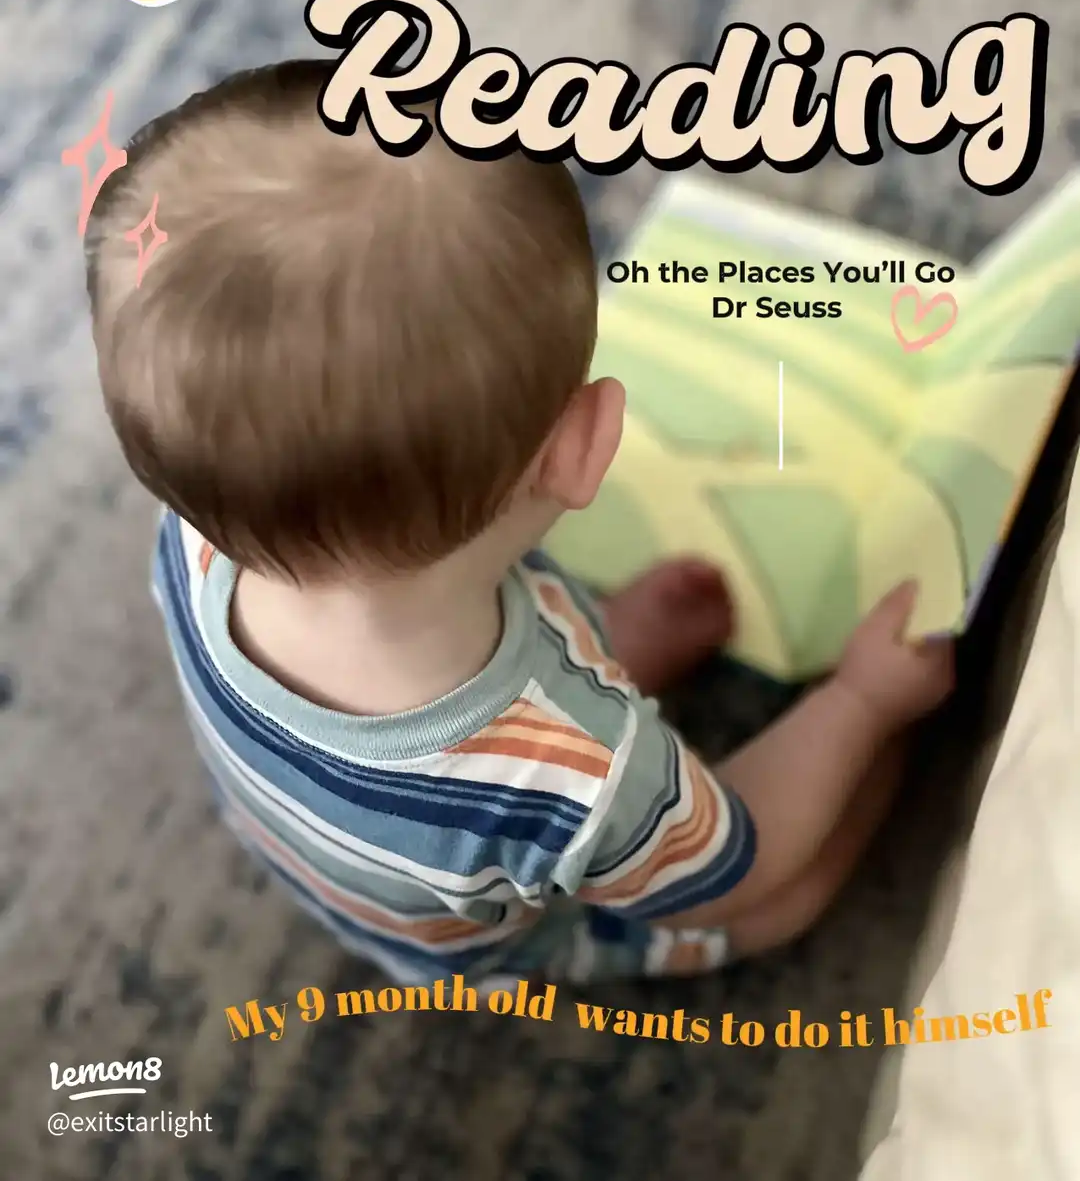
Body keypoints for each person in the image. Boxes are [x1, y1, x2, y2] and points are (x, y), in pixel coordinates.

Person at [83, 60, 953, 985]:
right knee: (794, 889)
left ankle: (620, 643)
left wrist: (619, 641)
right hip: (511, 939)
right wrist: (860, 702)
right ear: (583, 448)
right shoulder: (571, 770)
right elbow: (744, 863)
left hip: (337, 848)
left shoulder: (193, 534)